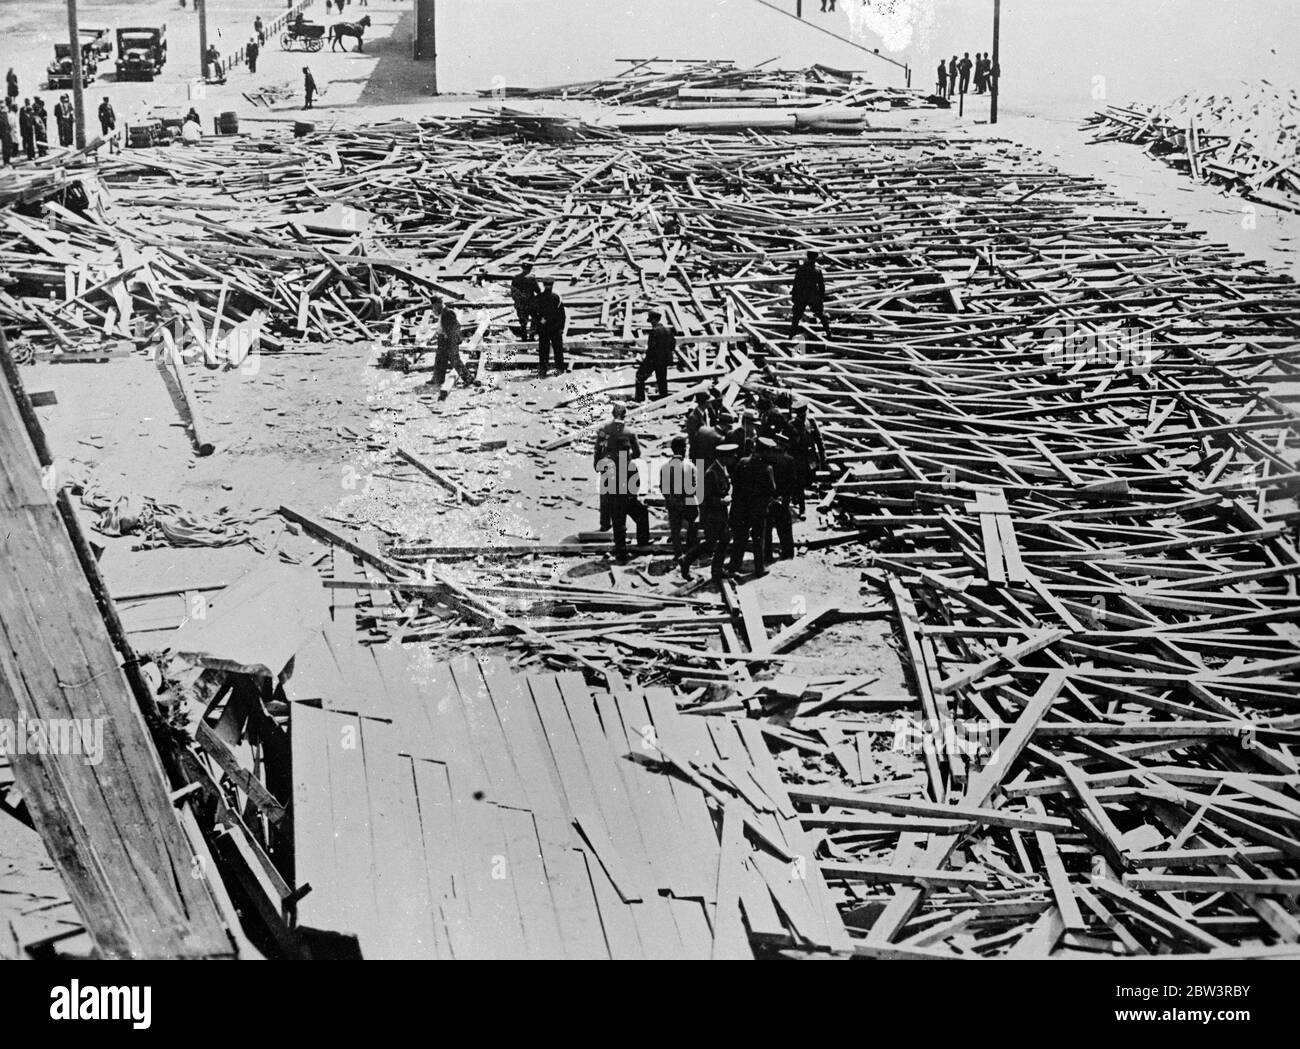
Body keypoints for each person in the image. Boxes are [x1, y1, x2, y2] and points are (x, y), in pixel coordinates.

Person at [681, 443, 737, 583]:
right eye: (732, 455)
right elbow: (704, 498)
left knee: (724, 539)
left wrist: (727, 495)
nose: (734, 458)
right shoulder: (711, 472)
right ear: (724, 457)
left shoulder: (722, 469)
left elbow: (723, 488)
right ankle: (686, 560)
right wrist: (721, 501)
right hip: (711, 515)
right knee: (711, 543)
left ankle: (717, 570)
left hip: (720, 514)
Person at [728, 438, 777, 577]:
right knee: (758, 538)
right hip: (758, 510)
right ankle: (759, 568)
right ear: (765, 452)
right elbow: (772, 489)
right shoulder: (767, 469)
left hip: (742, 508)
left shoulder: (743, 462)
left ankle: (734, 565)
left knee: (740, 538)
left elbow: (734, 481)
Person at [594, 404, 640, 532]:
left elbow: (598, 449)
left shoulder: (604, 430)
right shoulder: (630, 432)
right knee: (622, 496)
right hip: (624, 467)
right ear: (625, 415)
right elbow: (637, 453)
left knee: (605, 495)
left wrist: (597, 463)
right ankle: (621, 524)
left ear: (613, 414)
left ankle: (605, 523)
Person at [660, 436, 699, 562]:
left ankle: (678, 554)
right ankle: (690, 552)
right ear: (683, 449)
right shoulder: (690, 466)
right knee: (693, 524)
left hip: (672, 504)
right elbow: (694, 487)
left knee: (675, 530)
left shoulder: (665, 467)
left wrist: (673, 499)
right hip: (688, 503)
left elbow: (663, 489)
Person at [428, 306, 477, 400]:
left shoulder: (448, 313)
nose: (433, 312)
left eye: (434, 309)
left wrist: (452, 338)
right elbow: (441, 327)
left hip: (450, 341)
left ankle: (468, 379)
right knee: (440, 359)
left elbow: (456, 326)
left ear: (437, 305)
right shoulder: (442, 314)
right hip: (443, 339)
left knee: (455, 360)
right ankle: (438, 379)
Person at [763, 435, 798, 563]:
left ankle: (767, 555)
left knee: (767, 528)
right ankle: (788, 552)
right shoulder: (789, 460)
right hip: (782, 498)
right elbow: (793, 481)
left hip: (770, 498)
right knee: (784, 527)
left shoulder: (769, 459)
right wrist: (786, 498)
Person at [634, 310, 675, 401]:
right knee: (662, 380)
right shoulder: (668, 330)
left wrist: (645, 361)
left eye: (651, 321)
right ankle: (664, 401)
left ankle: (640, 399)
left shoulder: (654, 332)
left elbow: (651, 349)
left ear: (654, 320)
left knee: (639, 376)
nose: (651, 323)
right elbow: (672, 345)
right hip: (664, 360)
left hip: (654, 360)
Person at [789, 250, 831, 339]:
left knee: (796, 317)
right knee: (820, 315)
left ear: (807, 257)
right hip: (813, 295)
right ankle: (828, 333)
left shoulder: (801, 269)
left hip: (802, 295)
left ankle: (791, 335)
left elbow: (796, 283)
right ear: (816, 258)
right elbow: (821, 286)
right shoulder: (817, 270)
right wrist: (820, 297)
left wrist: (794, 295)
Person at [533, 278, 566, 377]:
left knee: (553, 350)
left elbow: (562, 315)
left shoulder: (553, 298)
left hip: (551, 328)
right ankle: (547, 369)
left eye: (549, 285)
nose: (548, 287)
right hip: (549, 328)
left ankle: (553, 369)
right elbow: (534, 313)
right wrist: (539, 320)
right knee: (547, 350)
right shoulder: (552, 297)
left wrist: (561, 328)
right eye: (547, 285)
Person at [509, 262, 541, 338]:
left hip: (521, 303)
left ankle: (524, 338)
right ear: (530, 269)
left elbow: (513, 292)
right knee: (534, 319)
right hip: (531, 303)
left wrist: (517, 301)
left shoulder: (516, 277)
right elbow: (538, 290)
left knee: (523, 322)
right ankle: (531, 336)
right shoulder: (532, 278)